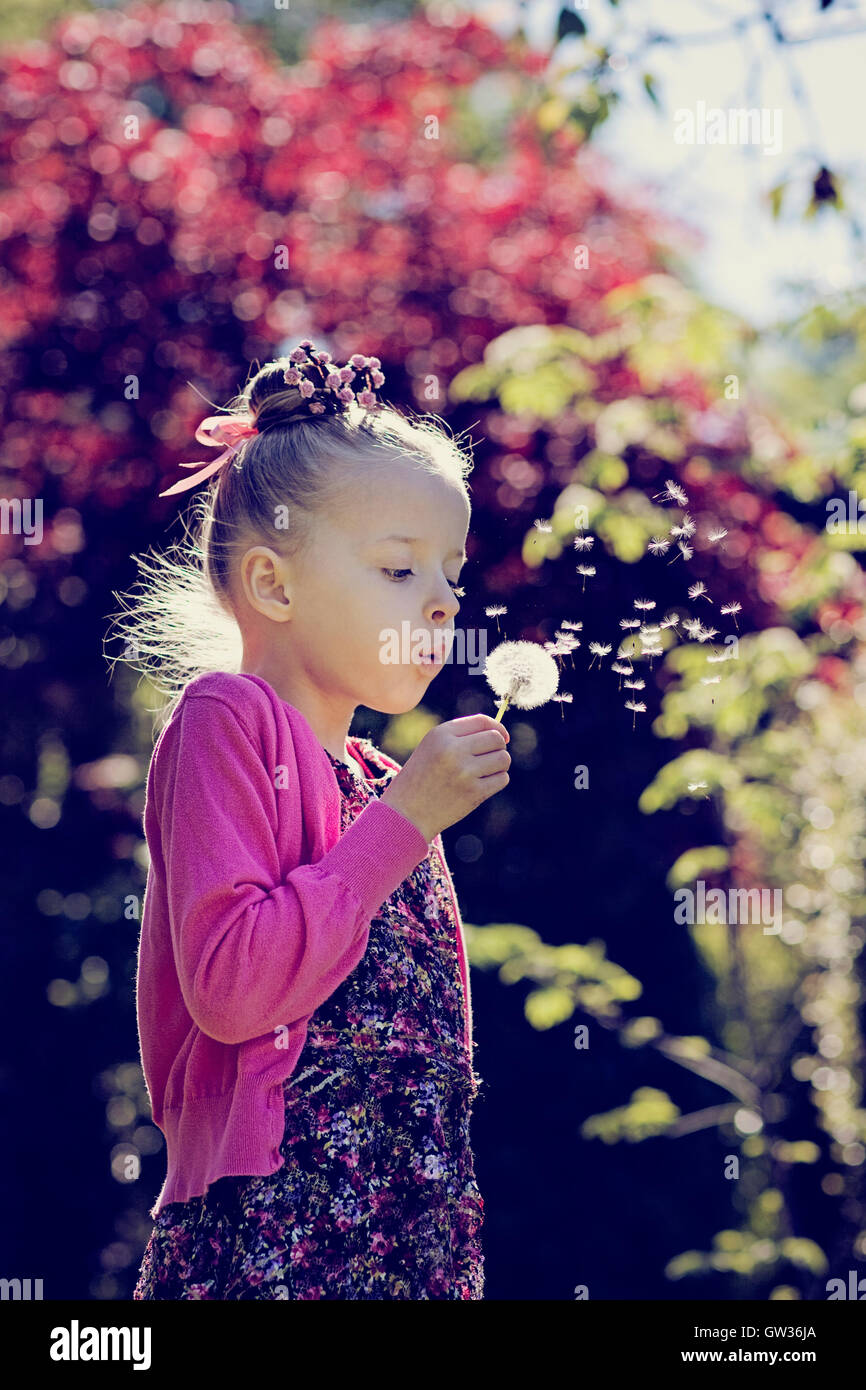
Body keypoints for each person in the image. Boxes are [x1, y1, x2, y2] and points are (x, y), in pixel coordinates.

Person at [114, 341, 511, 1299]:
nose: (445, 598)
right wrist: (404, 822)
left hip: (405, 1231)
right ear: (275, 586)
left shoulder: (378, 779)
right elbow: (234, 987)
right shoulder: (225, 723)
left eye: (451, 572)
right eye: (398, 567)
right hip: (277, 1228)